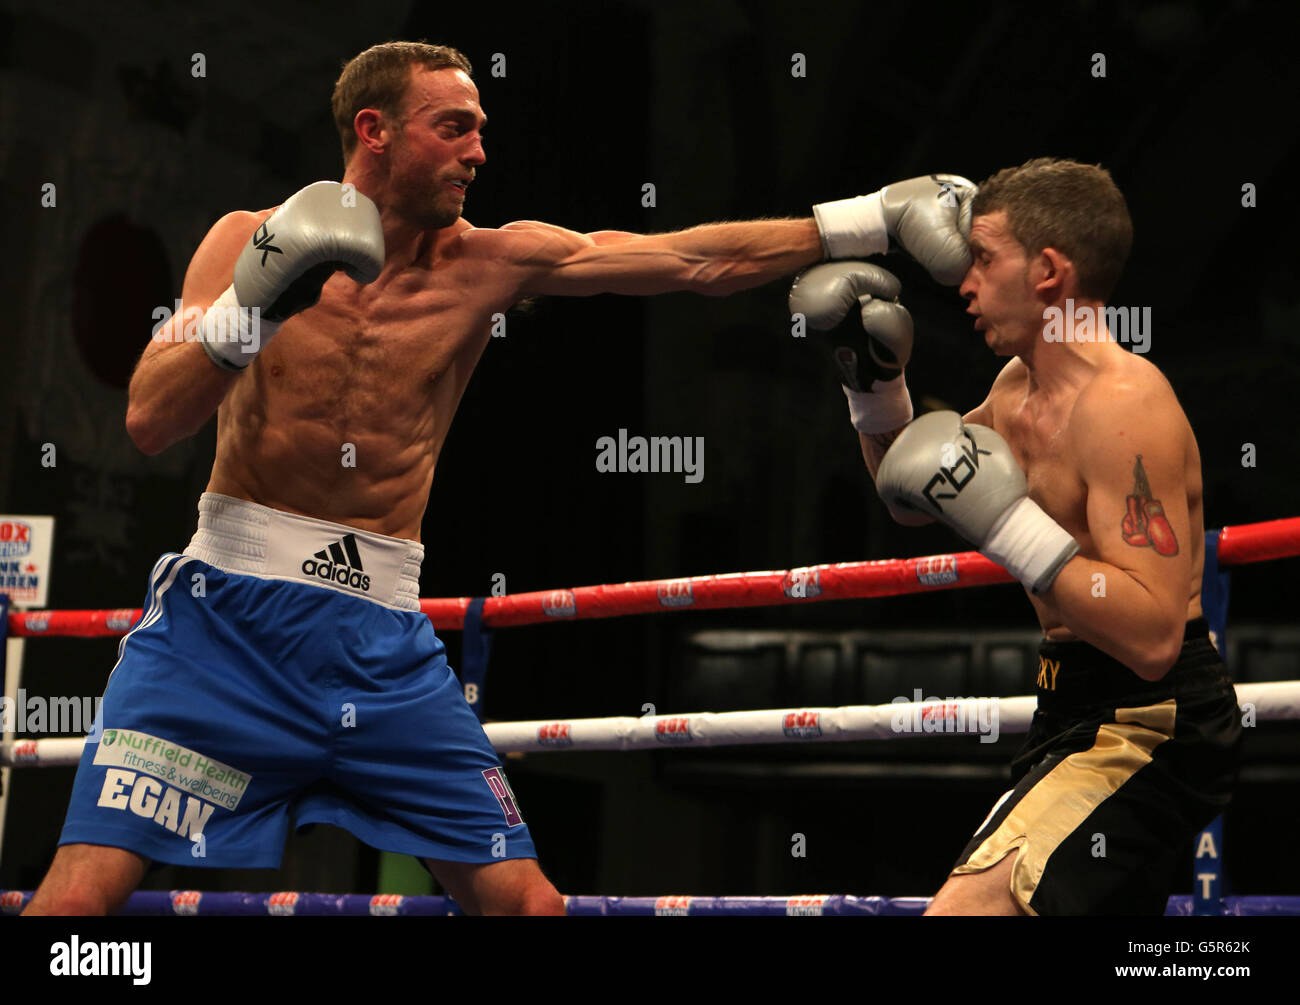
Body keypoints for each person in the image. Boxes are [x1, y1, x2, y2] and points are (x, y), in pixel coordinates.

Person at [23, 40, 973, 916]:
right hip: (220, 627)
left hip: (380, 643)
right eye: (455, 127)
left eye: (482, 127)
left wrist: (872, 219)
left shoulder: (490, 262)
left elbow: (690, 259)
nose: (480, 150)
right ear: (374, 132)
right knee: (75, 904)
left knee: (529, 906)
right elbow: (150, 416)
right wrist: (255, 300)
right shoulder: (245, 237)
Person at [791, 157, 1241, 916]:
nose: (963, 283)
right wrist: (873, 388)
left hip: (1148, 724)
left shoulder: (1126, 404)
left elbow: (1156, 634)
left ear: (1049, 271)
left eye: (985, 260)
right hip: (1065, 708)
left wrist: (1008, 525)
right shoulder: (1014, 389)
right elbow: (913, 489)